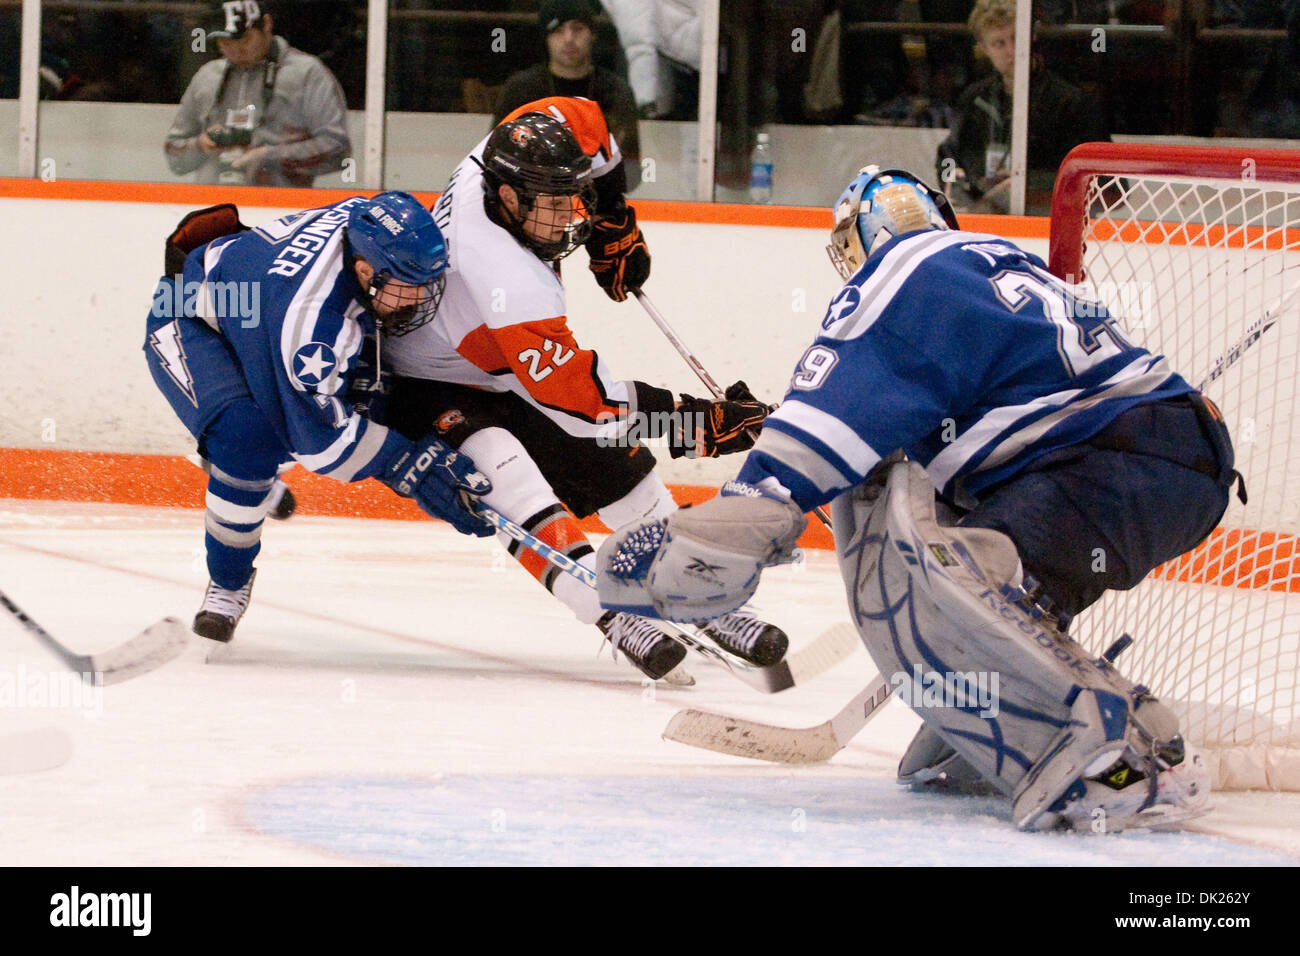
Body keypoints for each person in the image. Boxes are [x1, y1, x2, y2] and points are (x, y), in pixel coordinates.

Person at [597, 165, 1238, 832]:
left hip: (1108, 456)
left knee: (944, 573)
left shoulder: (902, 270)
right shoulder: (988, 260)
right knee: (999, 573)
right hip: (1159, 457)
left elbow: (837, 407)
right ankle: (1029, 723)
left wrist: (746, 511)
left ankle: (1110, 760)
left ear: (864, 235)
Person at [379, 97, 783, 682]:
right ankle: (612, 613)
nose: (573, 213)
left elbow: (585, 117)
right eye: (554, 203)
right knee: (507, 466)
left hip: (500, 361)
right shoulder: (505, 276)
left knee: (617, 466)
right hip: (428, 381)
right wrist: (700, 424)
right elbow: (586, 406)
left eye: (576, 194)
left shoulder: (499, 159)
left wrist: (614, 216)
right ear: (509, 198)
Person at [144, 192, 493, 642]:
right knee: (246, 440)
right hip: (191, 317)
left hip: (257, 312)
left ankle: (253, 479)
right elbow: (322, 446)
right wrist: (407, 466)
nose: (421, 295)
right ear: (366, 271)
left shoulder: (365, 225)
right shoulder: (313, 327)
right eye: (408, 284)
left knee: (364, 398)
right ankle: (228, 584)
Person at [935, 0, 1107, 213]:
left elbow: (1108, 189)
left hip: (1050, 226)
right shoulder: (974, 100)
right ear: (983, 48)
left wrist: (1030, 187)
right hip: (988, 225)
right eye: (999, 43)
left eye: (1017, 38)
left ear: (1032, 35)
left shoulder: (1070, 102)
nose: (1012, 51)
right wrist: (965, 186)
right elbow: (948, 160)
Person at [164, 1, 350, 187]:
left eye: (244, 40)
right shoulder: (208, 76)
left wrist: (269, 156)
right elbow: (174, 159)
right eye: (225, 42)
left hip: (280, 206)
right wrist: (201, 145)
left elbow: (338, 149)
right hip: (214, 203)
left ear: (267, 25)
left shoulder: (306, 73)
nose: (236, 51)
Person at [494, 0, 641, 189]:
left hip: (597, 201)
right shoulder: (521, 89)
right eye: (558, 30)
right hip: (533, 202)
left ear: (593, 34)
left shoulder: (615, 90)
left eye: (578, 29)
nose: (569, 38)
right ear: (546, 38)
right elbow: (496, 158)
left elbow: (632, 171)